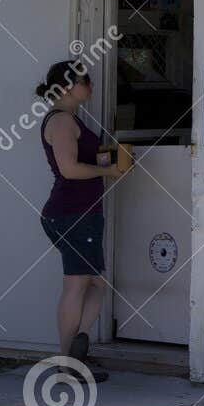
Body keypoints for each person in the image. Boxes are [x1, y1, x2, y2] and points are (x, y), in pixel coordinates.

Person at [36, 58, 126, 381]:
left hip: (79, 213)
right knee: (78, 286)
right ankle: (68, 362)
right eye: (86, 81)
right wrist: (107, 171)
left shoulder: (69, 119)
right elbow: (69, 170)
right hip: (72, 213)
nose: (91, 86)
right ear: (69, 87)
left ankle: (76, 349)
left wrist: (105, 159)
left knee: (94, 283)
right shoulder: (61, 122)